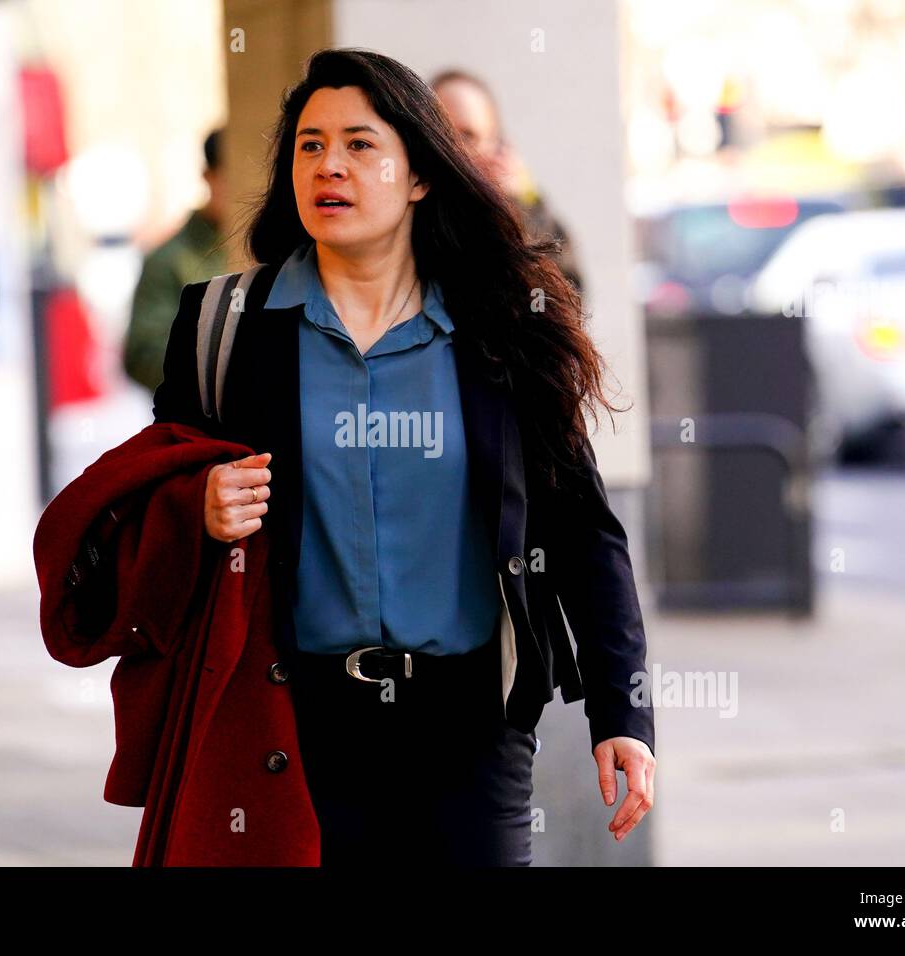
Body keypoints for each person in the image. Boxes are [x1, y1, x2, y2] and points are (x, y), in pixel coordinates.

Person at [151, 48, 654, 866]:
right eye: (310, 146)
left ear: (420, 175)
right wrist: (197, 501)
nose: (330, 166)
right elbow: (157, 485)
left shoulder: (502, 331)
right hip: (293, 725)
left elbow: (584, 532)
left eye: (359, 144)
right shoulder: (227, 330)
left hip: (470, 729)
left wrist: (623, 716)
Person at [431, 68, 586, 294]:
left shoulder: (535, 216)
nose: (453, 149)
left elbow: (563, 304)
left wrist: (514, 210)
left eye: (467, 136)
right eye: (442, 133)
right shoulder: (403, 212)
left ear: (497, 147)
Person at [122, 129, 230, 393]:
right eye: (232, 175)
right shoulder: (169, 260)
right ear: (210, 177)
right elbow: (142, 354)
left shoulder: (275, 251)